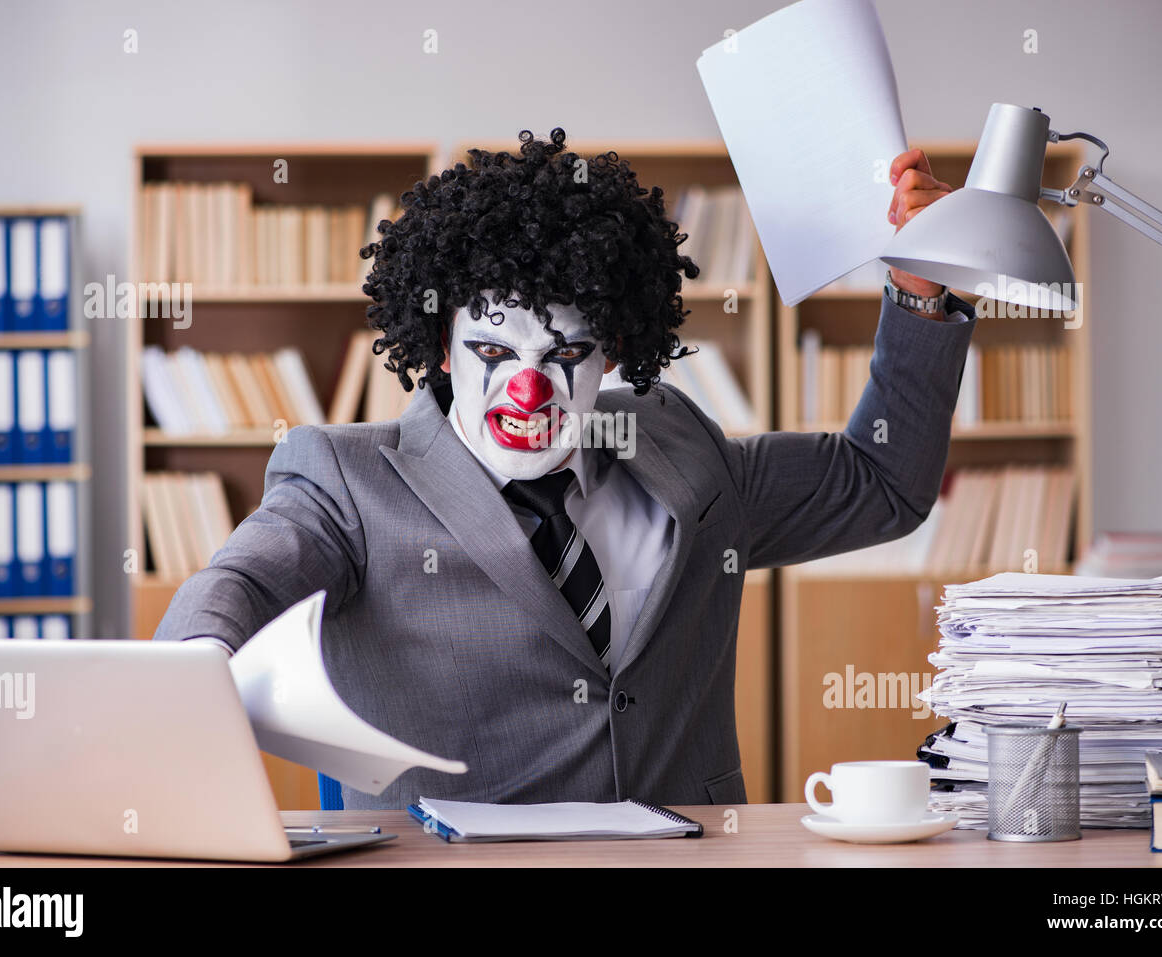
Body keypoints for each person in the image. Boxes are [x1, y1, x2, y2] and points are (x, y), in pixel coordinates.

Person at [154, 128, 974, 809]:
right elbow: (242, 581)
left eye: (566, 352)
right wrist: (191, 673)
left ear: (611, 350)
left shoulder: (679, 446)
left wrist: (919, 292)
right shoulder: (347, 481)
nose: (529, 388)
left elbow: (882, 481)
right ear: (442, 346)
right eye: (491, 351)